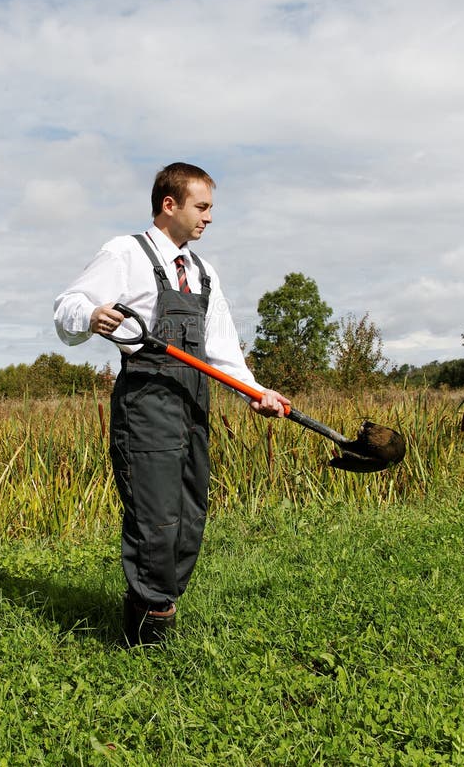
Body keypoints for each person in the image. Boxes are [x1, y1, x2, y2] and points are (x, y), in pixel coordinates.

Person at [54, 162, 290, 646]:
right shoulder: (126, 253)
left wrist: (254, 392)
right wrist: (92, 314)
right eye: (202, 207)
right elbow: (67, 305)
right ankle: (146, 633)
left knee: (189, 516)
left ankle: (159, 605)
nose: (209, 217)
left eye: (210, 208)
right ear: (169, 204)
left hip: (193, 402)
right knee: (155, 518)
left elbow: (221, 348)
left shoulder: (202, 272)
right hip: (148, 401)